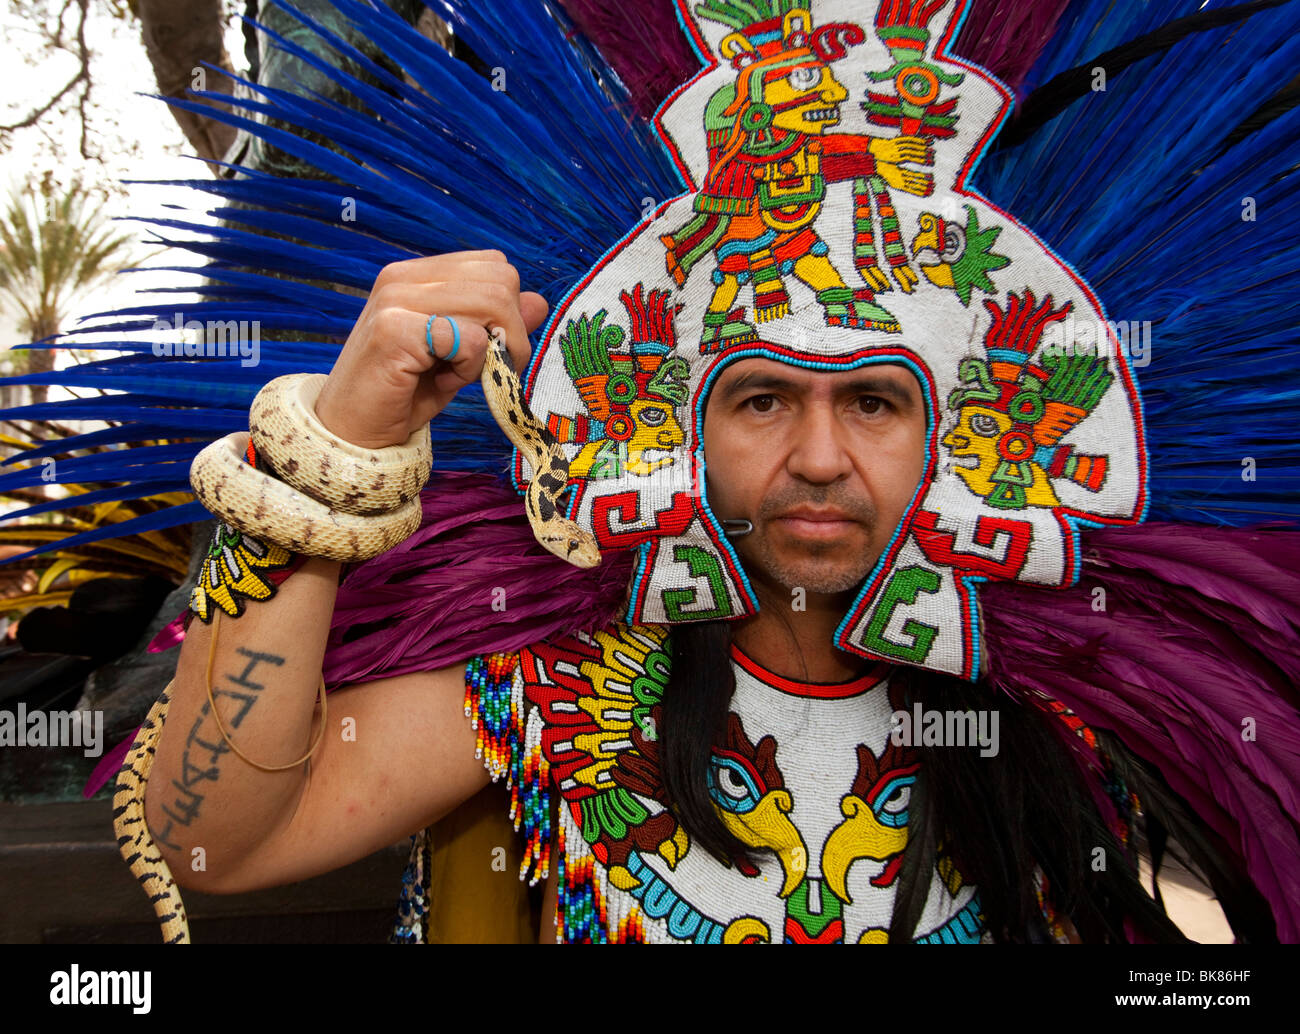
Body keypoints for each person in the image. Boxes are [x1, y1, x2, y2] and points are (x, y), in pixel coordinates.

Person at [75, 0, 1299, 944]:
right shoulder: (561, 696)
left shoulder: (1062, 722)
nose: (817, 458)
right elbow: (210, 841)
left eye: (873, 401)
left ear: (954, 434)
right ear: (678, 421)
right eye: (762, 397)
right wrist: (335, 449)